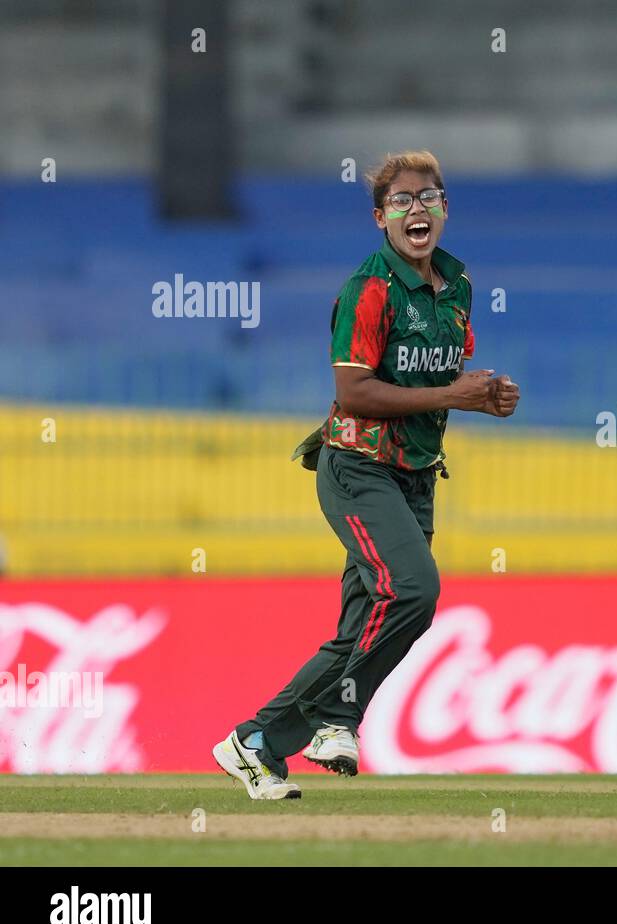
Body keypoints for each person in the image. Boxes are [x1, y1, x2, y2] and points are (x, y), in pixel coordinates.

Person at [213, 150, 519, 799]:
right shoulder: (369, 289)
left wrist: (481, 395)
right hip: (356, 466)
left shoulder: (457, 288)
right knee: (414, 592)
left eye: (430, 197)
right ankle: (339, 717)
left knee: (359, 632)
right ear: (381, 218)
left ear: (445, 209)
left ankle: (257, 742)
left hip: (414, 475)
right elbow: (354, 393)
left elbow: (439, 381)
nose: (418, 209)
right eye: (403, 200)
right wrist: (451, 397)